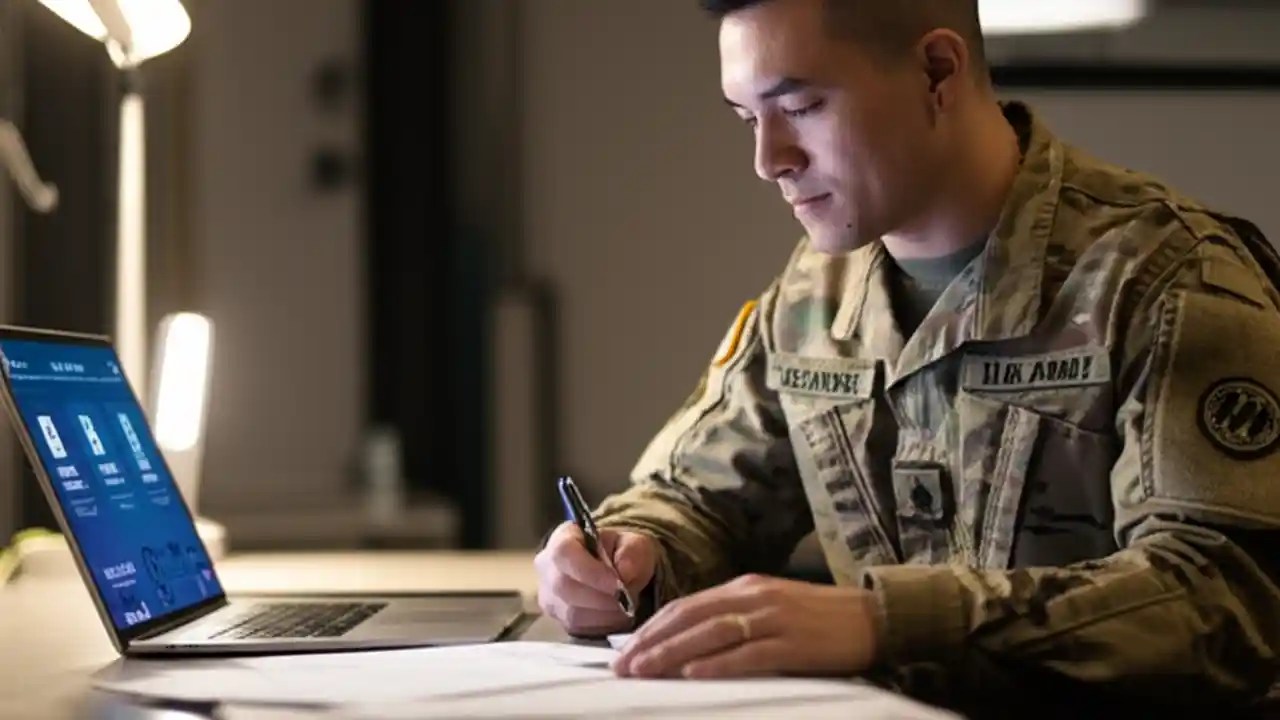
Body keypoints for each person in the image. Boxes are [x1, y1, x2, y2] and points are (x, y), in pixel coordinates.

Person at [533, 0, 1280, 710]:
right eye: (748, 118)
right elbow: (697, 498)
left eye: (801, 107)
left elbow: (1227, 597)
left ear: (936, 72)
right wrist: (630, 558)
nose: (768, 159)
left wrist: (884, 624)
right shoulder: (815, 296)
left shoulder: (1166, 278)